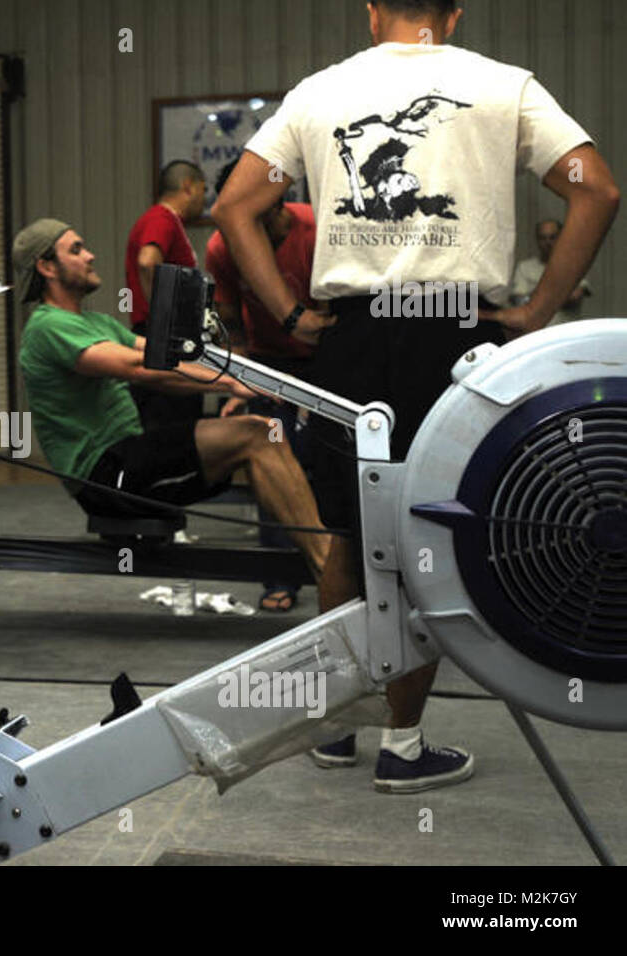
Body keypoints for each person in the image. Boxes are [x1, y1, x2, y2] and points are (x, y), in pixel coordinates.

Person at [213, 0, 618, 792]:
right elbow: (597, 191)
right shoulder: (503, 85)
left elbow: (232, 208)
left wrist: (292, 316)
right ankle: (401, 747)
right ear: (454, 13)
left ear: (372, 12)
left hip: (351, 339)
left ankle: (336, 730)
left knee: (345, 536)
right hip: (454, 337)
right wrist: (536, 314)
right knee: (432, 539)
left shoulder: (319, 90)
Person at [14, 218, 331, 582]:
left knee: (263, 434)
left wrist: (246, 376)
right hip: (103, 478)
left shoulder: (96, 322)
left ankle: (316, 564)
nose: (90, 255)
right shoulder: (47, 327)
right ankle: (326, 569)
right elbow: (138, 366)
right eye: (76, 249)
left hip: (129, 455)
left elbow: (168, 356)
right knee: (256, 435)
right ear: (46, 267)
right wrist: (230, 384)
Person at [205, 156, 319, 612]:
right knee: (270, 453)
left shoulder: (317, 228)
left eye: (255, 220)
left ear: (278, 206)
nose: (243, 233)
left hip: (326, 358)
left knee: (334, 461)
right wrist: (240, 382)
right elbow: (230, 321)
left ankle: (343, 570)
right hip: (269, 363)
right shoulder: (223, 246)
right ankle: (280, 576)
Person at [124, 160, 207, 433]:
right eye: (203, 190)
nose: (204, 199)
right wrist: (165, 323)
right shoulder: (162, 218)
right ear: (188, 187)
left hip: (163, 338)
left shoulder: (166, 221)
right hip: (163, 341)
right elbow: (147, 262)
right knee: (172, 430)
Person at [511, 219, 591, 325]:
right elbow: (518, 301)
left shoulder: (573, 266)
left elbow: (575, 297)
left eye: (552, 237)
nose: (547, 242)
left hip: (566, 332)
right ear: (537, 240)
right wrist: (560, 295)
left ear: (561, 238)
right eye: (543, 238)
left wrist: (534, 298)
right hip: (536, 334)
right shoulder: (525, 268)